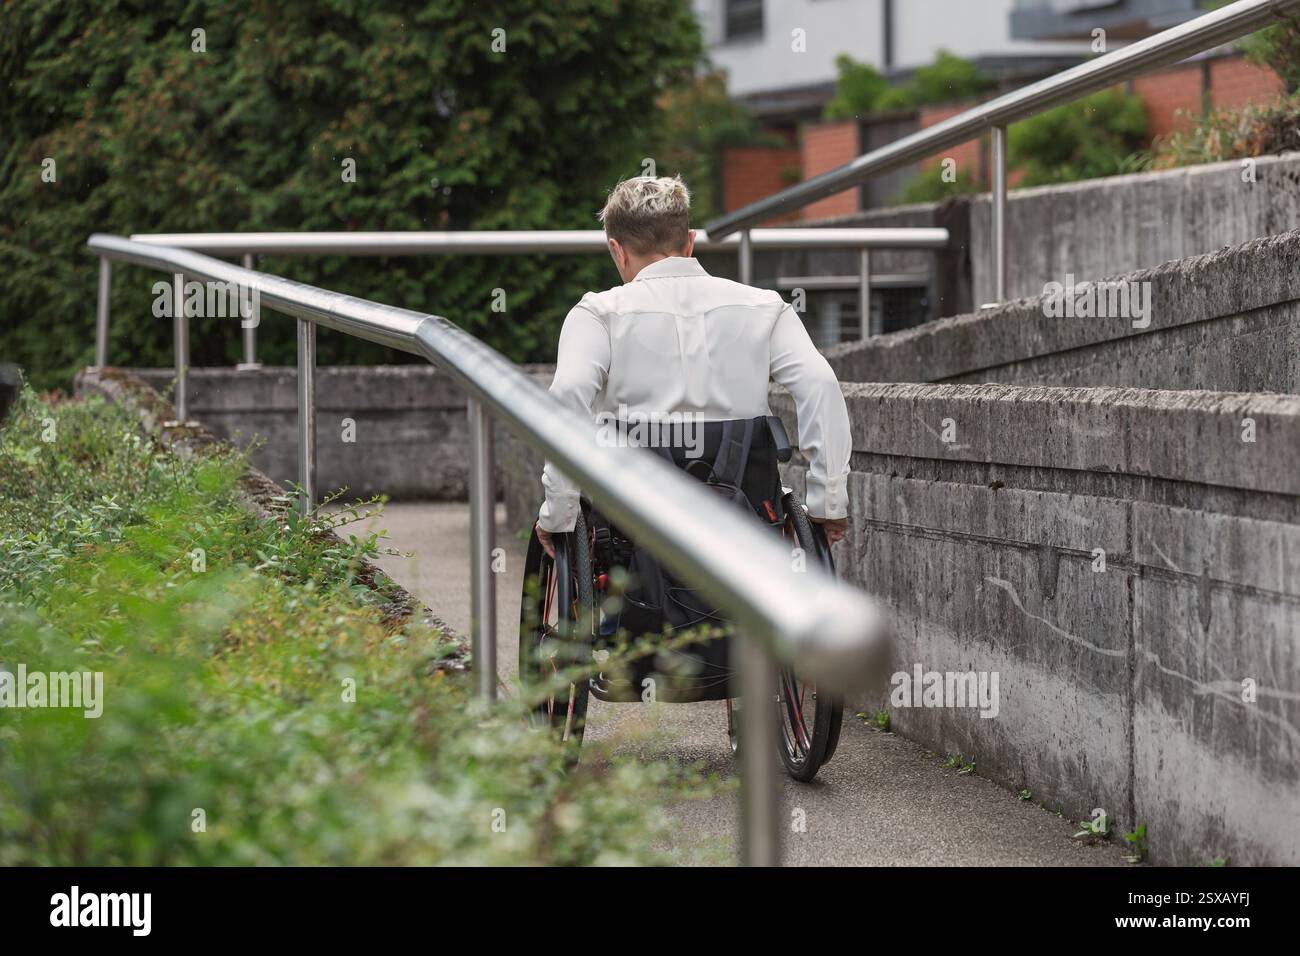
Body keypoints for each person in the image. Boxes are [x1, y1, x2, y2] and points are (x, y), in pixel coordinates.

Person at [535, 174, 850, 558]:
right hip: (746, 515)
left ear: (617, 250)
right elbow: (820, 384)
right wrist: (827, 502)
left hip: (630, 522)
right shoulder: (766, 307)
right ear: (690, 241)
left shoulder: (598, 314)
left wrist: (559, 511)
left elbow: (568, 397)